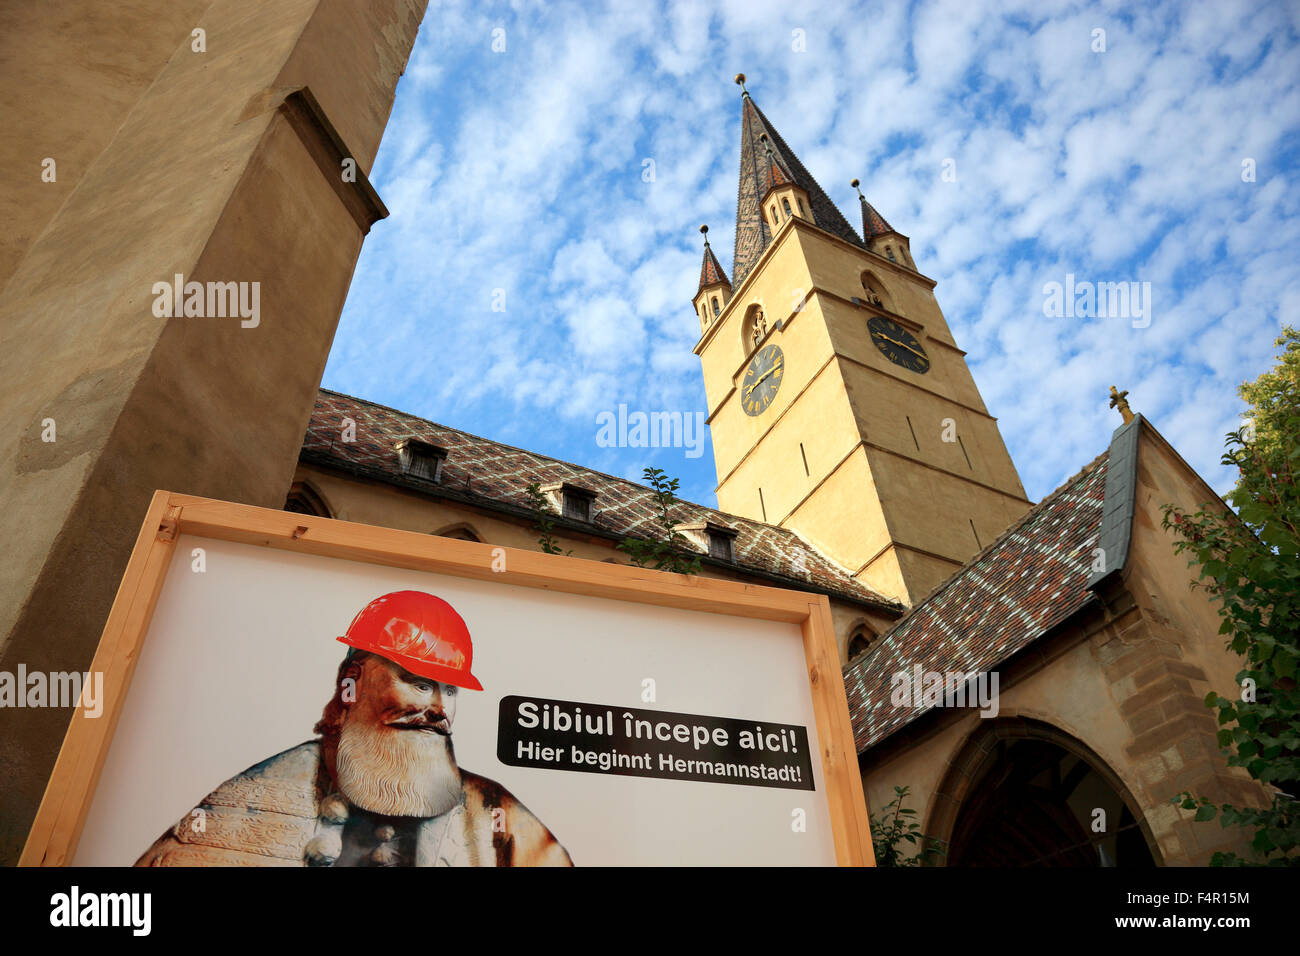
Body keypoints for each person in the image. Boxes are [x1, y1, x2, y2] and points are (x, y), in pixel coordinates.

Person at [136, 590, 572, 866]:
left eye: (450, 692)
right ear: (351, 683)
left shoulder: (498, 815)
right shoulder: (254, 798)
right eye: (419, 684)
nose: (438, 709)